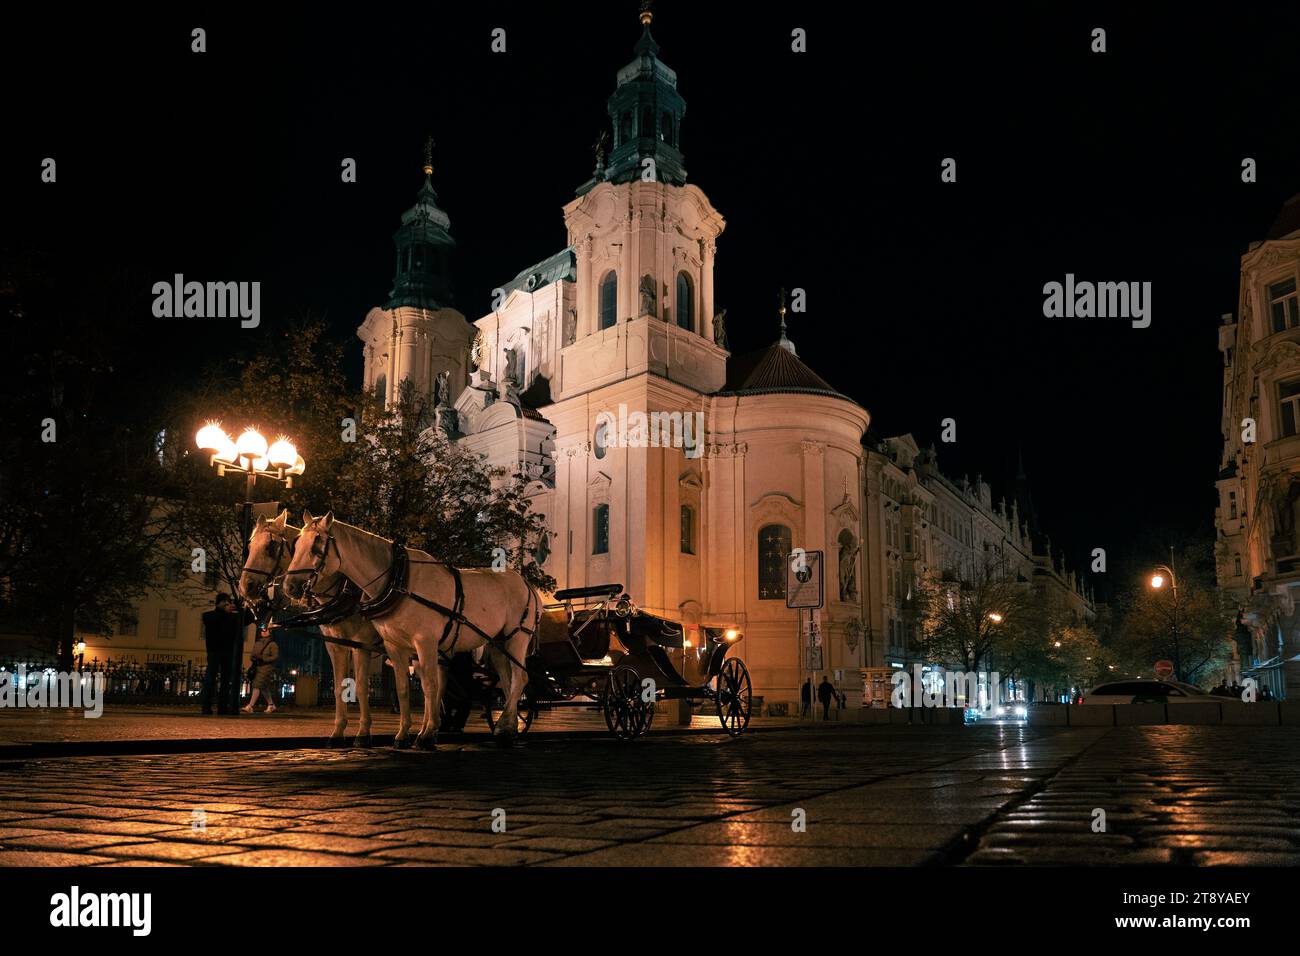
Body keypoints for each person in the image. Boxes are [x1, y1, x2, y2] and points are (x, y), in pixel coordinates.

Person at [200, 594, 241, 714]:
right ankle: (206, 706)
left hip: (228, 652)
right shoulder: (209, 616)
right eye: (224, 602)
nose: (227, 605)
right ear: (218, 603)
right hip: (214, 651)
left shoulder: (233, 617)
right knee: (210, 679)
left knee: (226, 680)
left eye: (228, 602)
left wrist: (239, 607)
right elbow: (214, 620)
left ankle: (222, 707)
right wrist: (225, 611)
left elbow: (247, 619)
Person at [242, 625, 279, 714]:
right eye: (262, 631)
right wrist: (254, 658)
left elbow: (275, 657)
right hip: (257, 666)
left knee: (257, 685)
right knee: (263, 687)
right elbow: (252, 655)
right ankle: (271, 705)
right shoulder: (257, 643)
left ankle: (250, 706)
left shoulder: (273, 644)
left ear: (270, 632)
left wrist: (263, 658)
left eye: (265, 631)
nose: (263, 632)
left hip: (266, 667)